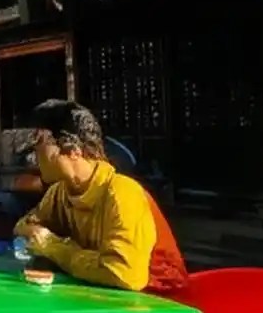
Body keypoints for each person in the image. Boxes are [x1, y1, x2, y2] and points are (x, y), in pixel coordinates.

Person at [15, 99, 188, 293]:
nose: (34, 155)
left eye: (40, 144)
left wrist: (54, 247)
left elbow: (125, 274)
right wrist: (39, 236)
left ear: (73, 150)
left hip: (159, 305)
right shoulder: (60, 192)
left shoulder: (123, 192)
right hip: (101, 298)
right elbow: (24, 227)